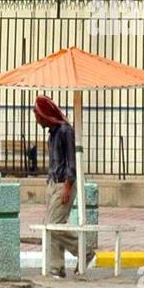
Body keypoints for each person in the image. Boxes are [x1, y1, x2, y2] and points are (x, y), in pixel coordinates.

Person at [34, 94, 90, 276]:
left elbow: (72, 162)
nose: (37, 121)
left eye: (37, 116)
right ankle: (56, 267)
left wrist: (67, 185)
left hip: (64, 184)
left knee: (53, 225)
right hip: (53, 183)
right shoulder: (53, 133)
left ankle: (85, 251)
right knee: (51, 226)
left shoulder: (66, 131)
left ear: (44, 115)